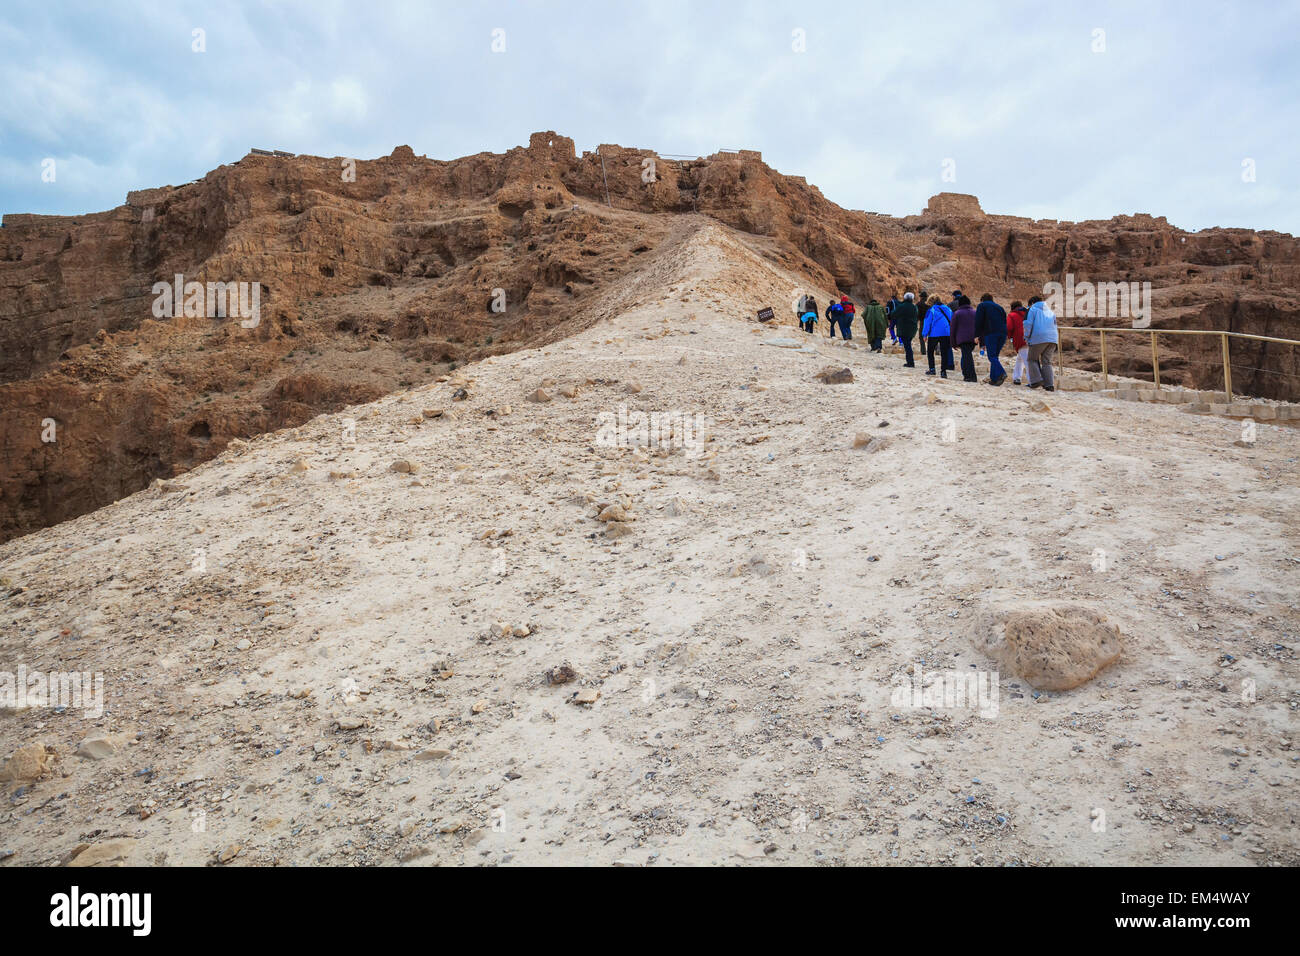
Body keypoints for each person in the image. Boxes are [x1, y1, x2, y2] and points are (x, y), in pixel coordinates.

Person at [1023, 295, 1060, 390]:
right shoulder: (1050, 311)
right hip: (1053, 338)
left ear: (1031, 303)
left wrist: (1026, 337)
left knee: (1031, 359)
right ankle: (1049, 385)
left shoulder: (1032, 309)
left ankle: (1036, 381)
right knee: (1047, 362)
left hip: (1038, 338)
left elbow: (1028, 324)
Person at [974, 293, 1008, 386]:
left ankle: (1001, 372)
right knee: (995, 356)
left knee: (991, 356)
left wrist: (977, 335)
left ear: (982, 300)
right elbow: (1005, 320)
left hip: (991, 333)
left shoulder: (982, 306)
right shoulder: (1000, 307)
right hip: (1003, 333)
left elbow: (978, 321)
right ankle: (994, 379)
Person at [921, 295, 953, 377]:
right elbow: (952, 320)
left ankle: (932, 369)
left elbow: (927, 322)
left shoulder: (931, 310)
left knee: (930, 351)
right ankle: (943, 371)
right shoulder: (948, 309)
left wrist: (924, 334)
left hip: (934, 333)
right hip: (946, 333)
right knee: (944, 352)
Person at [950, 295, 978, 382]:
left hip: (962, 339)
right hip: (973, 339)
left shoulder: (957, 313)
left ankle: (972, 376)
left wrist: (953, 343)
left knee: (967, 357)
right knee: (966, 356)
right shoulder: (975, 312)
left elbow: (953, 329)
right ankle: (966, 375)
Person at [892, 292, 919, 367]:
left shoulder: (902, 306)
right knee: (908, 344)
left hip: (904, 329)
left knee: (907, 346)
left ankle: (910, 362)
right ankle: (910, 361)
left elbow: (893, 314)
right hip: (913, 329)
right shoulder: (914, 307)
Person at [1007, 301, 1029, 384]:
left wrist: (1010, 337)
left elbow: (1009, 327)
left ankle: (1033, 380)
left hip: (1020, 339)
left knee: (1027, 360)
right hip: (1031, 337)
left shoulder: (1011, 315)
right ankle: (1017, 377)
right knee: (1020, 358)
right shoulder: (1028, 314)